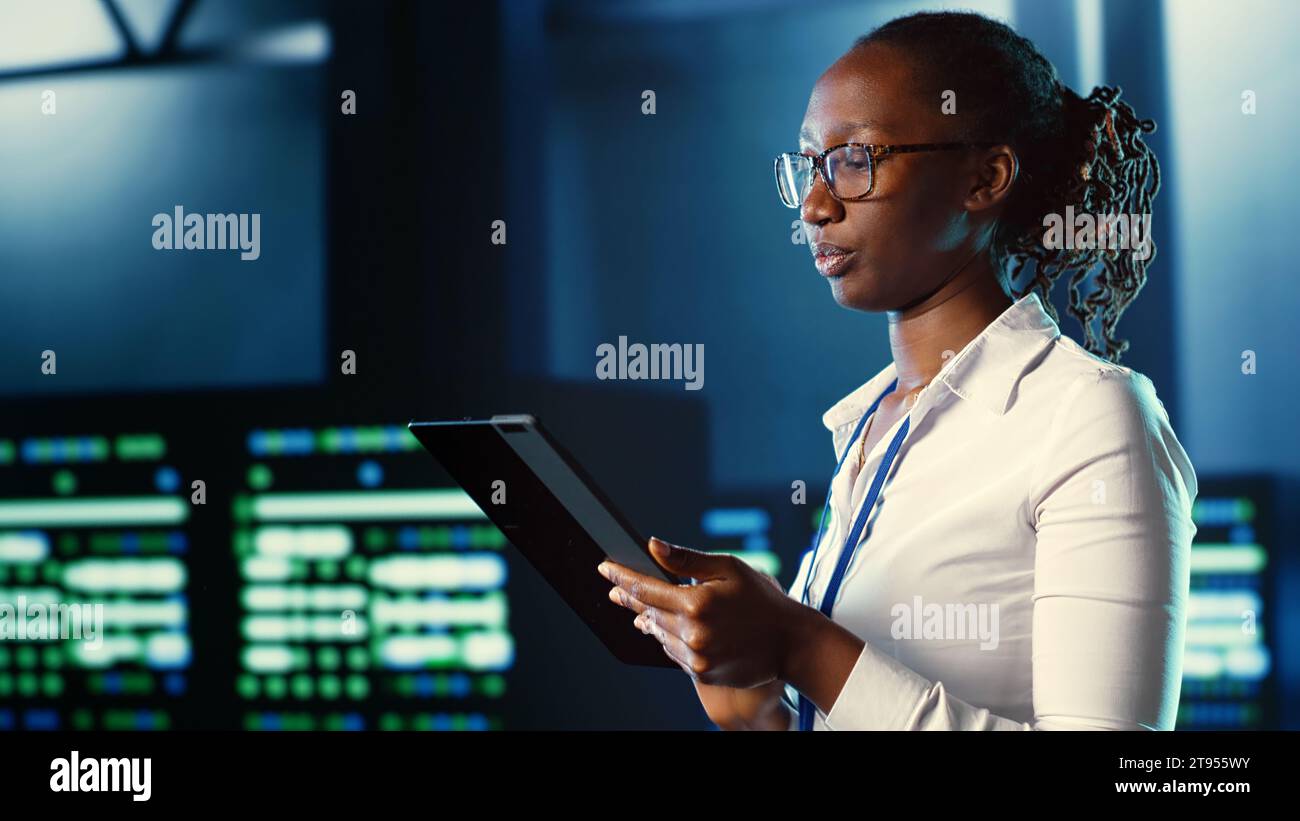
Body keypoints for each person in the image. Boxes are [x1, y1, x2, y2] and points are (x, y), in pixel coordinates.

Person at [595, 10, 1196, 730]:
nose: (817, 206)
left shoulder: (1090, 418)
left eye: (856, 159)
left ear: (984, 178)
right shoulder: (870, 428)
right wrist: (760, 713)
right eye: (810, 164)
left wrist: (798, 641)